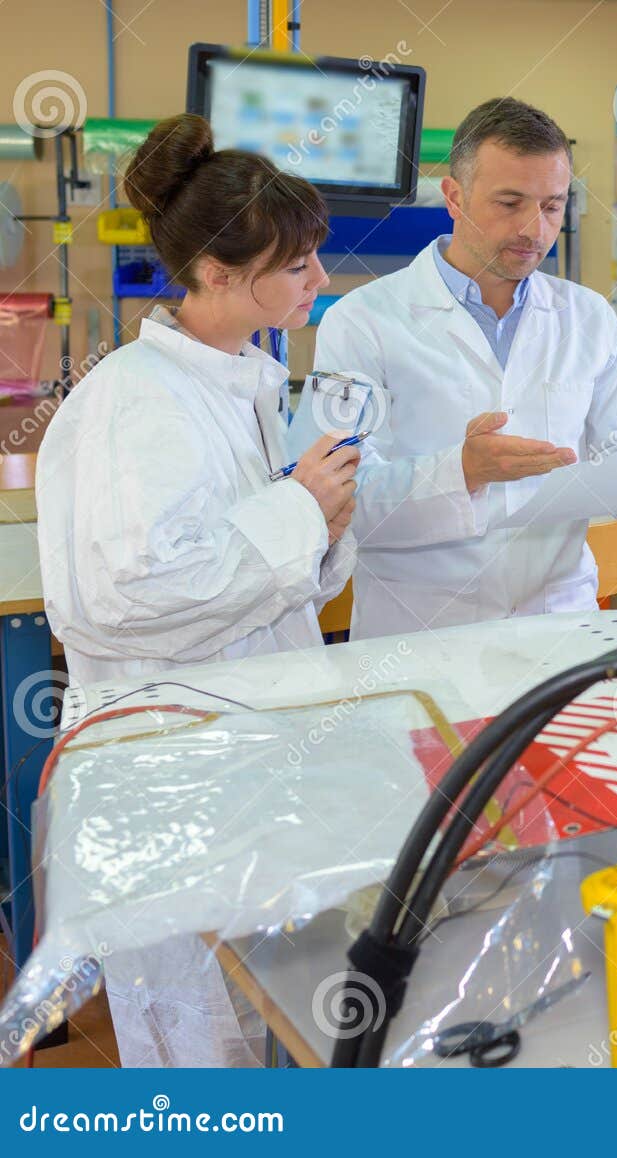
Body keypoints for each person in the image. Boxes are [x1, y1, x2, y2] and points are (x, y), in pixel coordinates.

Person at [35, 114, 356, 1065]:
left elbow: (272, 575)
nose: (321, 282)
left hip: (247, 751)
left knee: (263, 1009)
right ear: (219, 274)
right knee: (192, 1036)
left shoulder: (244, 380)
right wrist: (301, 511)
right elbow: (132, 593)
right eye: (298, 266)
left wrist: (324, 522)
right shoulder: (136, 401)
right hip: (168, 766)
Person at [308, 98, 617, 639]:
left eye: (552, 206)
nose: (534, 228)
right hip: (420, 635)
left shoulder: (587, 316)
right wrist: (463, 471)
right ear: (454, 197)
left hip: (560, 626)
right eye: (509, 202)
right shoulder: (360, 322)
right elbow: (341, 499)